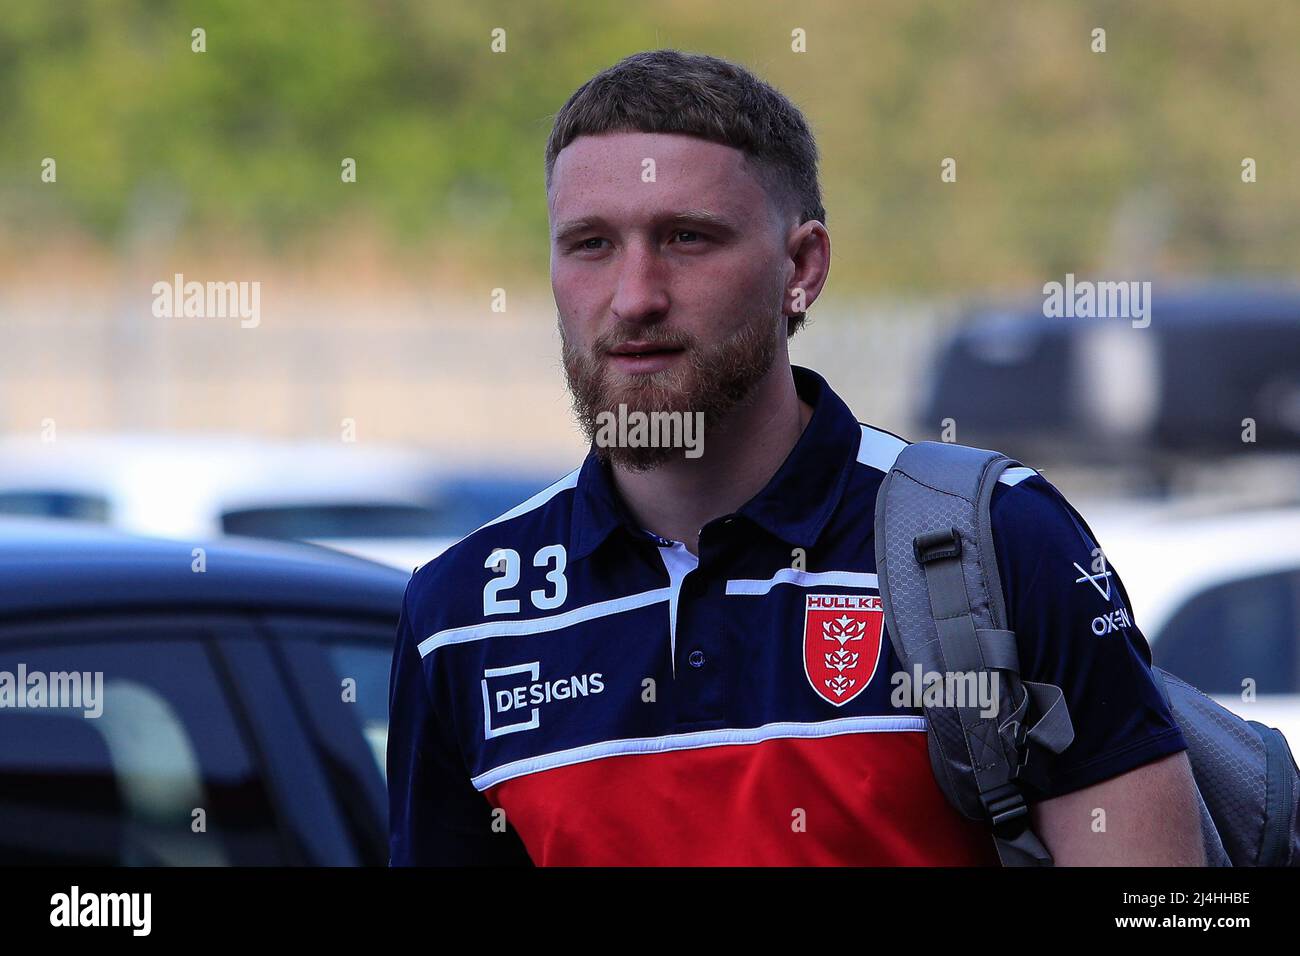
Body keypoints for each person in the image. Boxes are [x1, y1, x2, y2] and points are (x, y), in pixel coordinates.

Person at [387, 48, 1205, 866]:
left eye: (686, 238)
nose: (635, 296)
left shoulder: (996, 541)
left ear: (801, 267)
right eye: (591, 244)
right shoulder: (461, 614)